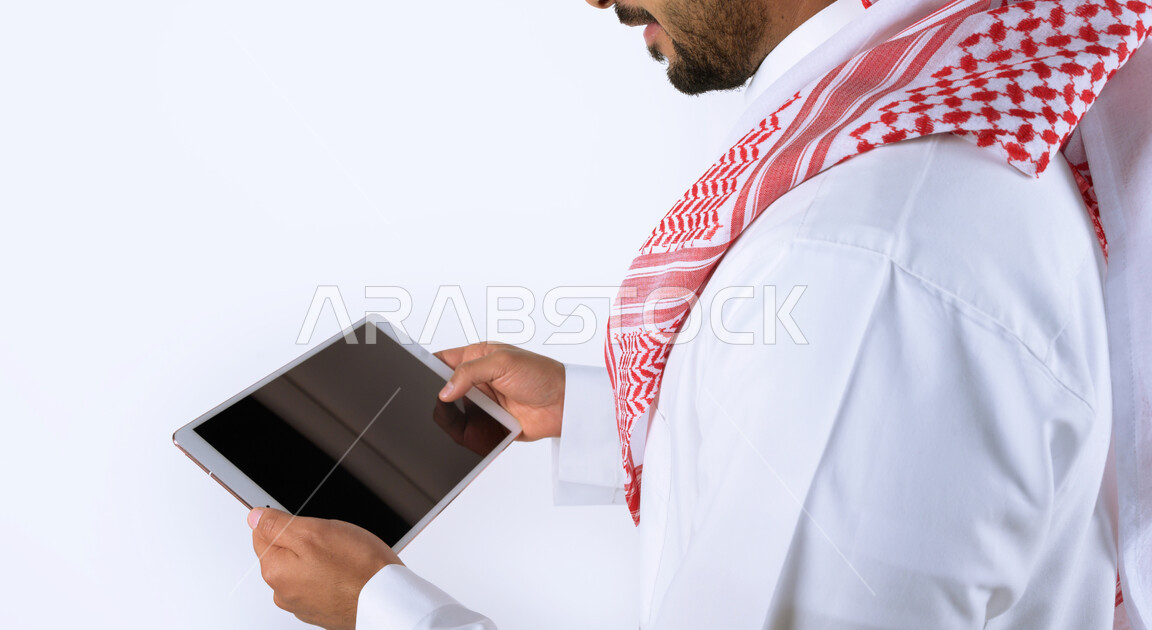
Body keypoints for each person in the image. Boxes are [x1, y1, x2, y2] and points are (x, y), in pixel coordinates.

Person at [244, 0, 1152, 627]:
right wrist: (605, 412)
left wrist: (381, 606)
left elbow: (855, 361)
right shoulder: (928, 172)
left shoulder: (863, 272)